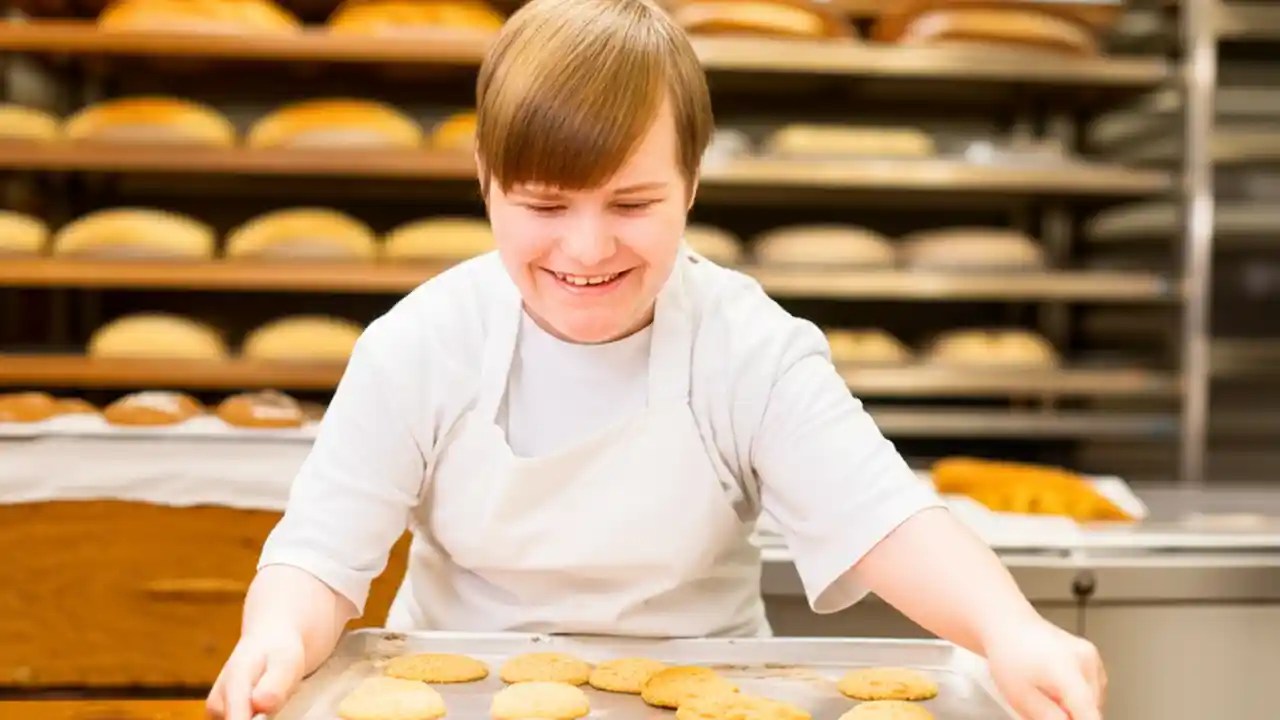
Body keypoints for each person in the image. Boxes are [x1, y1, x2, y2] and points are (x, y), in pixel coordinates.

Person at [205, 0, 1106, 718]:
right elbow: (322, 556)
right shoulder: (420, 343)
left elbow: (884, 520)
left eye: (633, 203)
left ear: (692, 183)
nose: (587, 249)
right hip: (462, 699)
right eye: (545, 206)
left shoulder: (745, 344)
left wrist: (1009, 630)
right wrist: (277, 637)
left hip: (703, 698)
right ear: (484, 178)